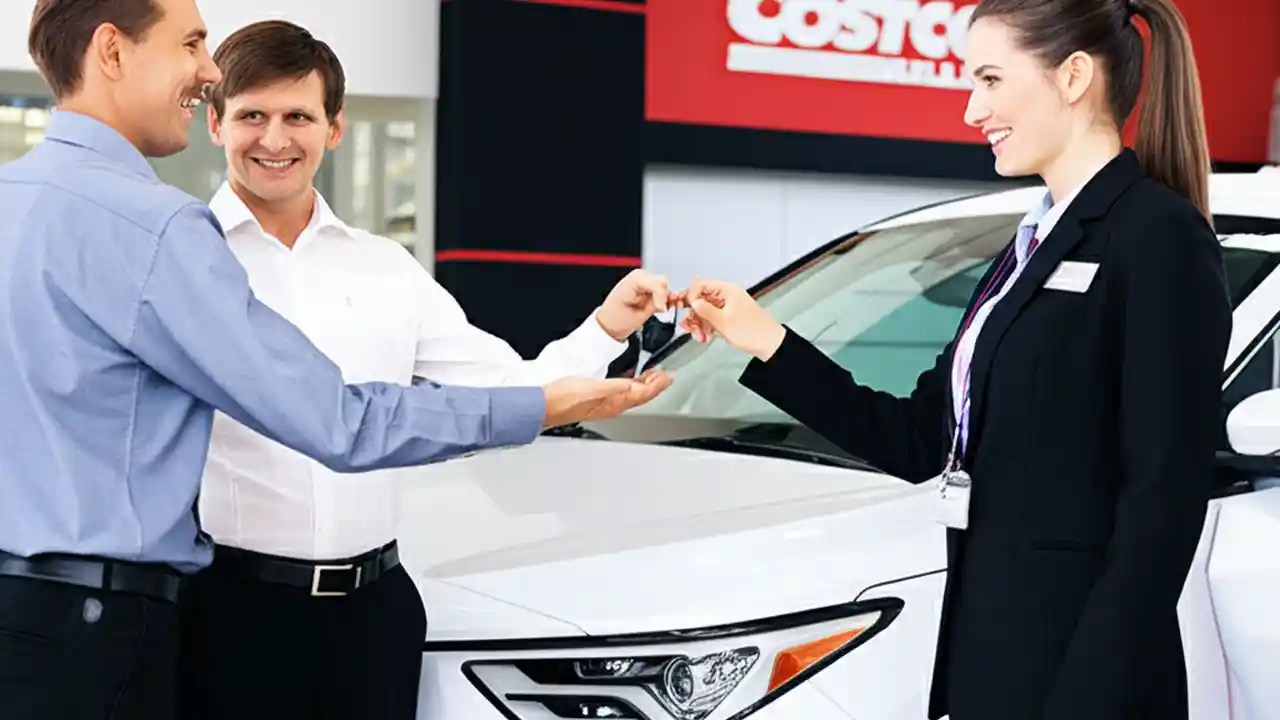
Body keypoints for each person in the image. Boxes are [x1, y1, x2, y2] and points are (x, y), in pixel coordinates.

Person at [0, 2, 670, 719]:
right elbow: (337, 422)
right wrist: (540, 408)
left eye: (298, 116)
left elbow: (510, 380)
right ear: (217, 125)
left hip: (370, 613)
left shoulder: (385, 268)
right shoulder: (170, 240)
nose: (274, 137)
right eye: (251, 114)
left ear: (334, 128)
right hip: (224, 612)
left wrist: (604, 331)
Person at [674, 0, 1230, 718]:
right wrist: (766, 340)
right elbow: (921, 439)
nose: (973, 110)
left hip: (1083, 681)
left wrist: (1086, 699)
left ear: (1073, 77)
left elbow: (1163, 501)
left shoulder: (1157, 235)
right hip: (994, 662)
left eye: (991, 80)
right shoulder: (1027, 249)